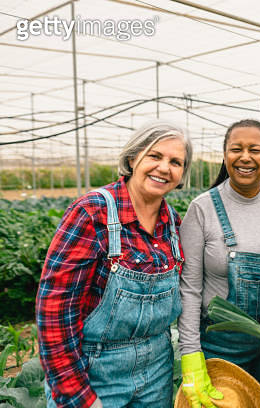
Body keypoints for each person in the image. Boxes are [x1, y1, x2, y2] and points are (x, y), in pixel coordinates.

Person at [37, 121, 192, 408]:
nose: (164, 168)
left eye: (175, 162)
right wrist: (74, 393)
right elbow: (55, 310)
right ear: (133, 158)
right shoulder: (91, 212)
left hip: (157, 369)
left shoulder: (173, 223)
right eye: (154, 156)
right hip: (95, 371)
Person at [178, 119, 260, 407]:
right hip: (219, 349)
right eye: (236, 149)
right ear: (225, 155)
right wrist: (190, 353)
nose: (245, 157)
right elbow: (190, 290)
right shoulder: (202, 208)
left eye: (255, 149)